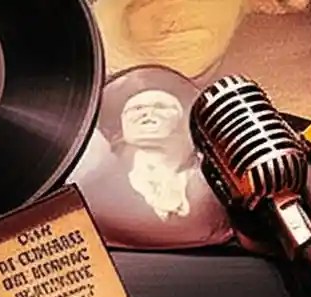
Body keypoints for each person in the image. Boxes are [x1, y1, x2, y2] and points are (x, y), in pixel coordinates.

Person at [68, 66, 232, 250]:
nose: (147, 114)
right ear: (122, 124)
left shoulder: (214, 181)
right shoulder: (96, 181)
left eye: (160, 107)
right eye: (136, 108)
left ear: (181, 119)